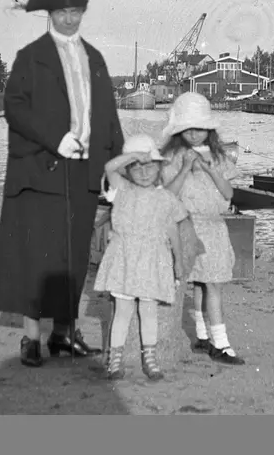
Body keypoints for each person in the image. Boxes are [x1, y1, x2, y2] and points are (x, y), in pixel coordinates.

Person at [0, 0, 125, 368]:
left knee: (74, 258)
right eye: (62, 11)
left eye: (76, 11)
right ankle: (32, 339)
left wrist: (115, 167)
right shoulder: (30, 56)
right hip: (41, 171)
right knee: (38, 257)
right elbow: (15, 108)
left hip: (83, 175)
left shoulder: (94, 57)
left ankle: (64, 334)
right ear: (50, 13)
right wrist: (55, 139)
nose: (69, 19)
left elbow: (109, 119)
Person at [93, 134, 190, 381]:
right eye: (137, 167)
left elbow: (172, 230)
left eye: (150, 166)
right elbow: (108, 167)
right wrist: (134, 155)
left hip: (153, 261)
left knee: (148, 311)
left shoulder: (165, 197)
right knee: (122, 311)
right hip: (125, 259)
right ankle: (115, 359)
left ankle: (150, 357)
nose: (144, 172)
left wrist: (178, 260)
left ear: (159, 168)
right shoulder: (122, 190)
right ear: (127, 170)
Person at [161, 92, 246, 365]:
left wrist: (210, 170)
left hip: (214, 228)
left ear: (209, 129)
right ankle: (214, 341)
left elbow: (228, 193)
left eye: (200, 129)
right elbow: (168, 196)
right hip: (186, 225)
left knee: (210, 283)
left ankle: (209, 338)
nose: (195, 135)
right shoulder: (172, 158)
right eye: (189, 130)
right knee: (203, 282)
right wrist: (186, 168)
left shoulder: (220, 158)